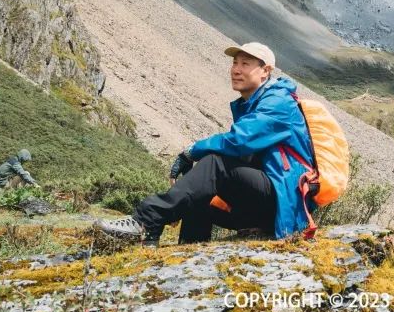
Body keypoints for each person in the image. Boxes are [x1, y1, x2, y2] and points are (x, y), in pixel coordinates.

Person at [95, 42, 317, 246]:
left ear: (265, 71)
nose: (236, 70)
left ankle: (146, 220)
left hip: (283, 202)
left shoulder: (278, 103)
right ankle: (184, 249)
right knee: (201, 188)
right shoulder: (255, 103)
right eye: (235, 63)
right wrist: (190, 182)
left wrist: (192, 151)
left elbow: (239, 141)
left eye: (245, 64)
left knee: (215, 164)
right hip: (264, 201)